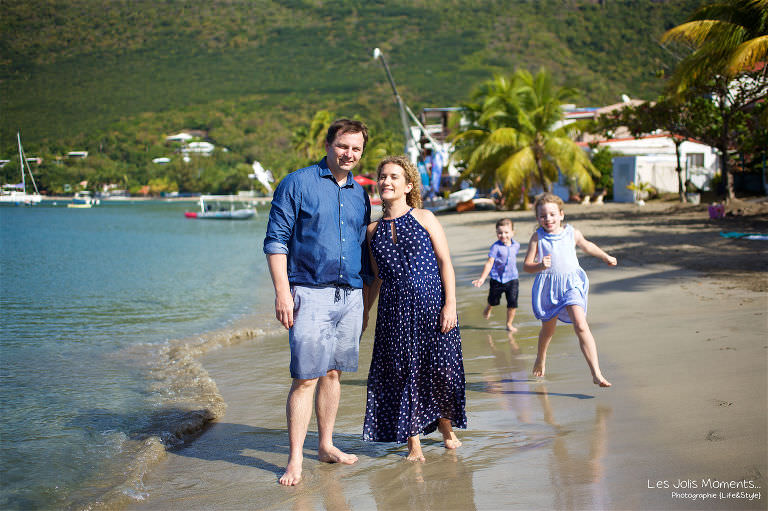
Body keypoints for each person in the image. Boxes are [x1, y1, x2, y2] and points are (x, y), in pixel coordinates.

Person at [263, 118, 372, 486]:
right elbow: (276, 240)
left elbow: (362, 247)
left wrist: (366, 302)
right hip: (308, 292)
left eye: (356, 148)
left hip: (350, 295)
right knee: (305, 378)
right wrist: (282, 292)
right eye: (343, 146)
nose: (349, 154)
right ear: (328, 145)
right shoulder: (297, 183)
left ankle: (326, 445)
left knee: (333, 373)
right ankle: (295, 460)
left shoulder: (360, 193)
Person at [362, 155, 466, 461]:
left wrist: (450, 305)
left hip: (432, 304)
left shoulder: (425, 217)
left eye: (394, 177)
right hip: (393, 312)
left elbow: (446, 263)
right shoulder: (371, 231)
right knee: (402, 372)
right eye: (383, 176)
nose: (386, 182)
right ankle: (413, 443)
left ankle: (446, 428)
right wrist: (366, 312)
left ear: (408, 185)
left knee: (440, 370)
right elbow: (377, 279)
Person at [522, 193, 616, 387]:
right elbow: (526, 266)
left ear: (561, 215)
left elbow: (587, 245)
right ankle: (541, 356)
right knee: (548, 331)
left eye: (552, 214)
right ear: (538, 218)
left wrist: (605, 256)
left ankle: (596, 373)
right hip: (549, 288)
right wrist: (539, 266)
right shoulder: (537, 237)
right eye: (543, 216)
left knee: (580, 324)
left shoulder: (571, 232)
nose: (548, 219)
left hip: (572, 284)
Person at [472, 218, 521, 332]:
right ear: (496, 233)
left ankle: (509, 324)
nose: (503, 235)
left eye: (506, 232)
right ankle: (489, 307)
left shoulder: (516, 245)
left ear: (513, 232)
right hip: (497, 279)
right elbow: (489, 263)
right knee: (493, 300)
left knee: (512, 303)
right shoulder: (495, 247)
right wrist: (482, 278)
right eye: (500, 233)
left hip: (513, 279)